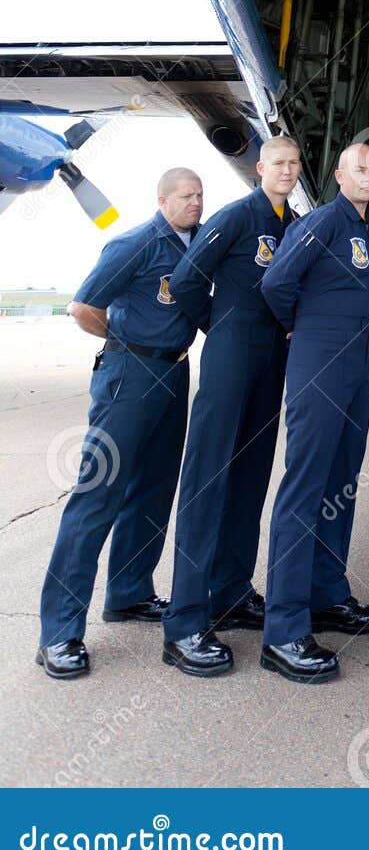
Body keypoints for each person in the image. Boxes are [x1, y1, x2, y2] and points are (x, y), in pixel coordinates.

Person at [37, 168, 204, 679]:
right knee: (98, 494)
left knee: (154, 490)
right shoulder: (134, 243)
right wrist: (127, 341)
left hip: (175, 373)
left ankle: (129, 594)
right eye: (186, 196)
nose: (195, 203)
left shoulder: (196, 244)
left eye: (200, 195)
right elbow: (83, 306)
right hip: (130, 375)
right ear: (162, 200)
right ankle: (59, 634)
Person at [161, 137, 302, 676]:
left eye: (294, 164)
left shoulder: (293, 224)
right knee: (207, 480)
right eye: (278, 163)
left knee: (249, 477)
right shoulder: (237, 216)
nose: (287, 171)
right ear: (260, 167)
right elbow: (186, 279)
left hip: (271, 364)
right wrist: (218, 328)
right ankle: (185, 622)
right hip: (228, 359)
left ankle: (231, 592)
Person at [257, 142, 369, 683]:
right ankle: (284, 629)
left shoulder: (366, 229)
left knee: (342, 482)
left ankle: (327, 595)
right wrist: (302, 326)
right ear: (338, 175)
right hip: (321, 358)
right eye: (360, 168)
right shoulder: (323, 221)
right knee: (306, 485)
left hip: (357, 363)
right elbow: (276, 281)